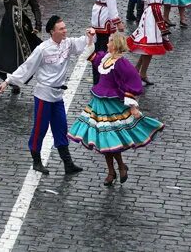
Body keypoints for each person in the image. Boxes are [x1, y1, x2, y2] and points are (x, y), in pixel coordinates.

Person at [0, 16, 93, 175]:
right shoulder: (42, 49)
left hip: (57, 95)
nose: (65, 31)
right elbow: (27, 67)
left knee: (61, 128)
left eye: (65, 27)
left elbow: (83, 43)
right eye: (61, 29)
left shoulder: (68, 44)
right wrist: (8, 81)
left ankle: (68, 163)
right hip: (43, 95)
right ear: (52, 31)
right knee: (40, 128)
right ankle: (36, 161)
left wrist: (90, 34)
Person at [67, 32, 164, 186]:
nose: (106, 44)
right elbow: (90, 56)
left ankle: (115, 170)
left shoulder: (121, 64)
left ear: (115, 44)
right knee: (104, 140)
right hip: (99, 103)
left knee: (108, 139)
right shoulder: (106, 58)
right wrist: (90, 39)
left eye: (109, 42)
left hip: (112, 105)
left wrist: (132, 106)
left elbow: (133, 82)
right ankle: (115, 169)